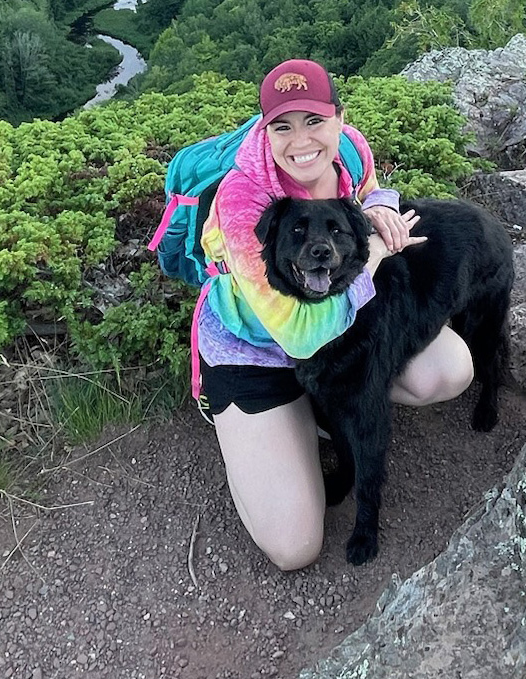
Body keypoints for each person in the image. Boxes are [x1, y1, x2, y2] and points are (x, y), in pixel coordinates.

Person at [198, 58, 474, 570]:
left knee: (448, 368)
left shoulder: (349, 149)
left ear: (339, 119)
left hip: (340, 332)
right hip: (255, 349)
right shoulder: (243, 202)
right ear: (265, 131)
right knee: (294, 547)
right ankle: (282, 421)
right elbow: (300, 336)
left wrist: (382, 206)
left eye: (314, 121)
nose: (301, 140)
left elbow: (367, 193)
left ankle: (320, 414)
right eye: (283, 126)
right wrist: (372, 256)